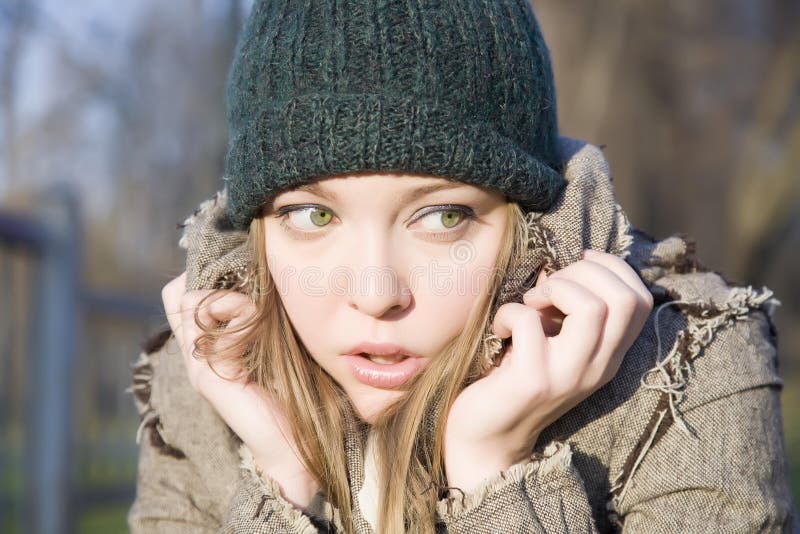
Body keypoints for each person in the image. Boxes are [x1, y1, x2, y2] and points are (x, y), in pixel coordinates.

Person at [126, 1, 795, 532]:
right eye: (314, 215)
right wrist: (278, 484)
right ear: (258, 229)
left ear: (523, 215)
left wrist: (493, 476)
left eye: (443, 216)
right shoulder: (203, 387)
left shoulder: (683, 359)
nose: (376, 294)